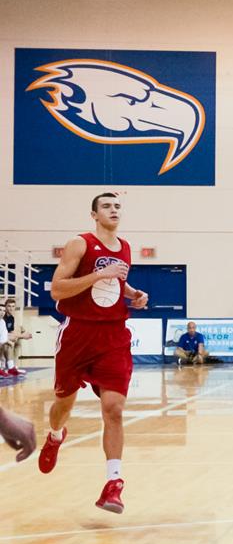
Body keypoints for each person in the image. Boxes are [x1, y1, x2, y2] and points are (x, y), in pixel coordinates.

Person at [38, 193, 150, 514]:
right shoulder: (80, 244)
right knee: (63, 402)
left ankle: (113, 484)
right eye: (107, 206)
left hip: (113, 334)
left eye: (117, 206)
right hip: (77, 333)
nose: (113, 210)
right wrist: (99, 274)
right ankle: (56, 435)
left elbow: (115, 284)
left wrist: (134, 294)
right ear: (93, 214)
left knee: (114, 409)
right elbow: (58, 289)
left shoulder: (125, 248)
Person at [1, 298, 29, 377]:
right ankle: (5, 367)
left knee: (13, 342)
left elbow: (7, 333)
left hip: (4, 339)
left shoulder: (9, 319)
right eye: (9, 306)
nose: (2, 312)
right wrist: (22, 336)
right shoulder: (3, 319)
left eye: (13, 306)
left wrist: (21, 334)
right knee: (7, 344)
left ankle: (11, 367)